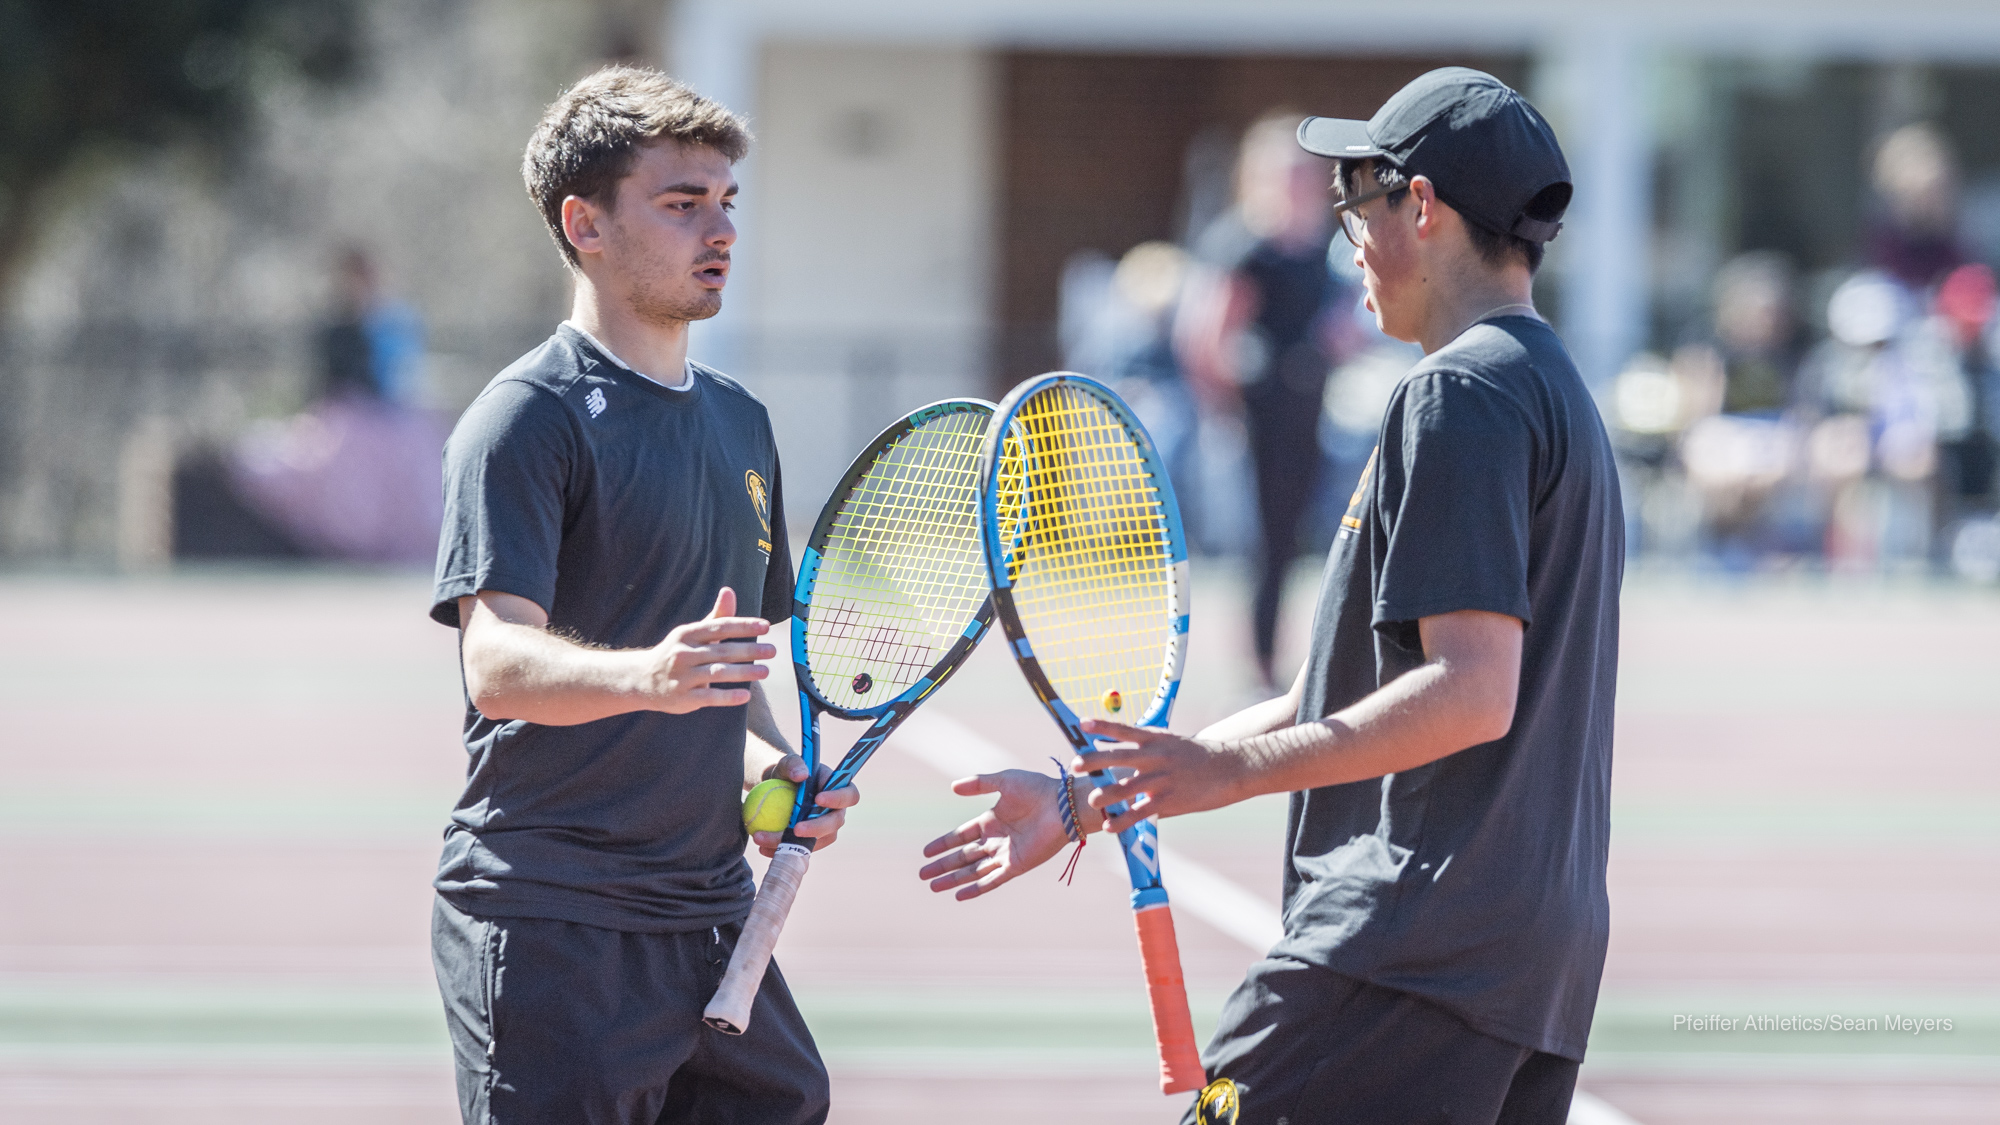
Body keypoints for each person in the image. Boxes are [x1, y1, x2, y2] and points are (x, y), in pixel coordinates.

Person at [919, 68, 1621, 1125]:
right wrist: (1084, 800)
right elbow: (1333, 690)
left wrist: (1229, 770)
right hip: (1526, 964)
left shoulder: (1458, 392)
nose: (1348, 238)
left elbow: (1471, 692)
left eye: (1355, 200)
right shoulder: (1551, 387)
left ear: (1421, 206)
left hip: (1404, 946)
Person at [426, 65, 852, 1125]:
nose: (721, 230)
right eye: (681, 203)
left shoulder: (741, 423)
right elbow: (496, 664)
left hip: (707, 914)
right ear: (587, 225)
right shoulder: (526, 417)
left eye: (726, 201)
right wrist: (648, 676)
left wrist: (771, 771)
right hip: (552, 918)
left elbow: (728, 679)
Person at [1176, 112, 1356, 693]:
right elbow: (1206, 338)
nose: (1298, 184)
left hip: (1306, 415)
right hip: (1257, 419)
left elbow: (1337, 330)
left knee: (1290, 542)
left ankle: (1278, 656)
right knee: (1258, 544)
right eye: (1287, 172)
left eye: (1305, 173)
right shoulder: (1245, 247)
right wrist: (1231, 405)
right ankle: (1257, 661)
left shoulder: (1322, 251)